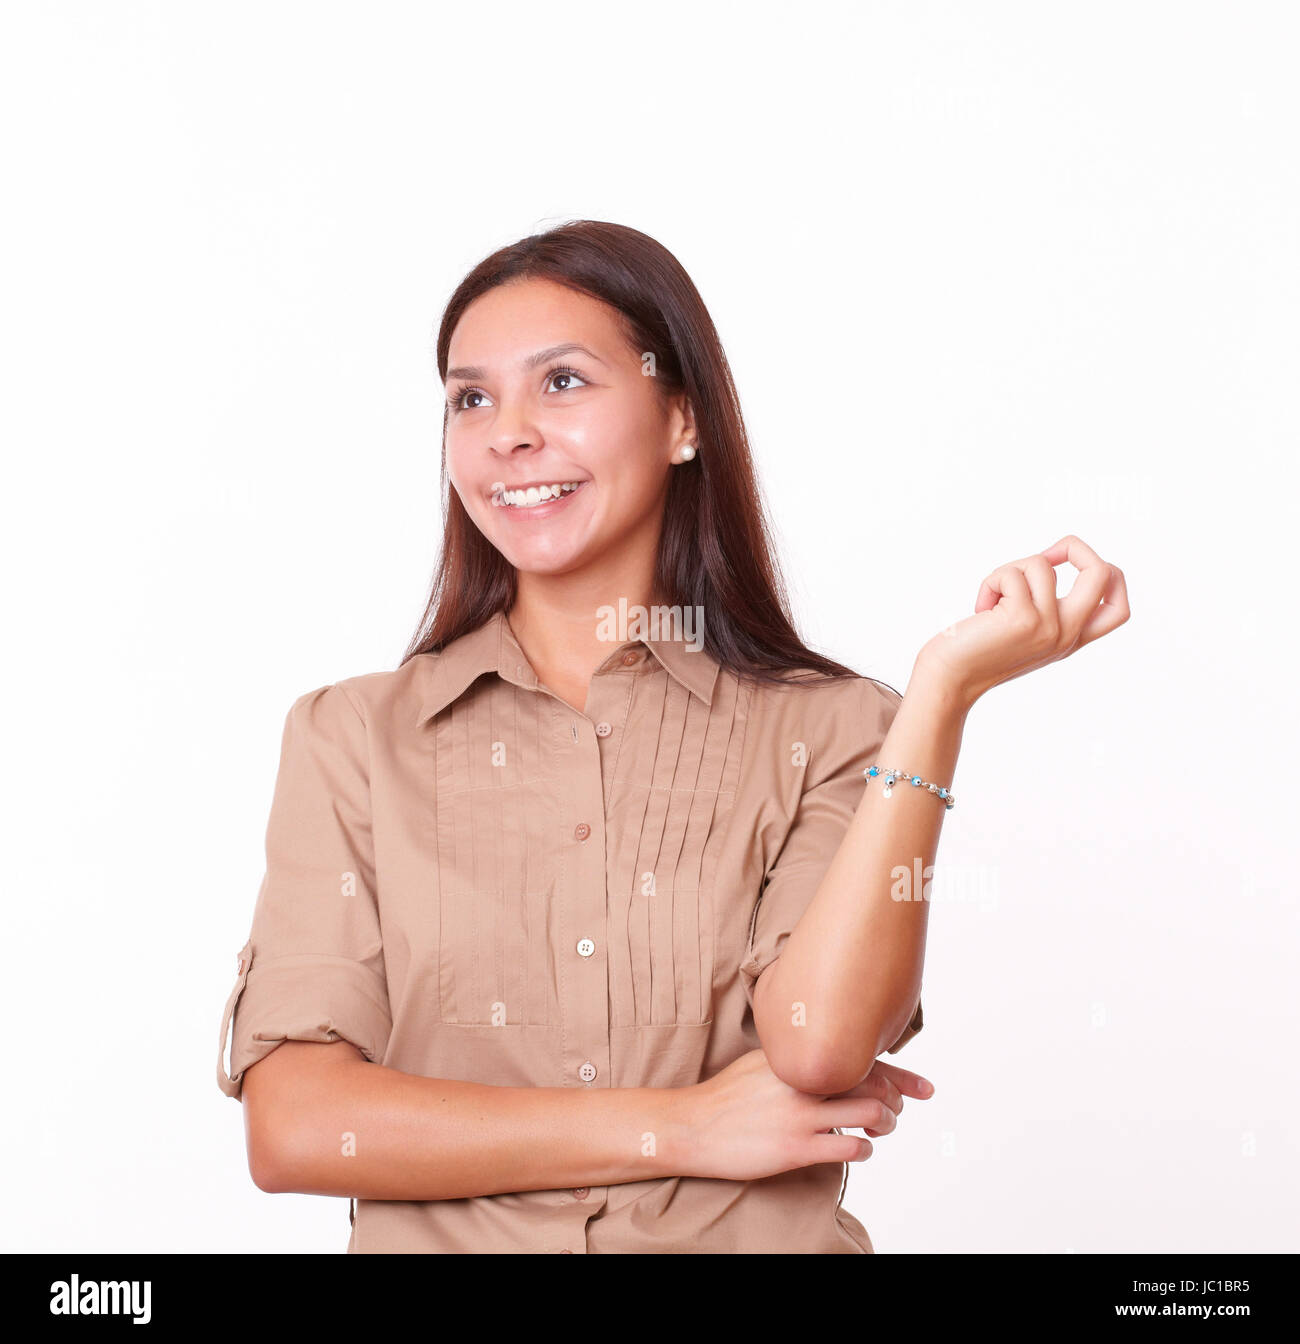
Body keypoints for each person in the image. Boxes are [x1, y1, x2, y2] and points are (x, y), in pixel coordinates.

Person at [215, 219, 1130, 1253]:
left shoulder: (833, 729)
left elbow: (820, 1044)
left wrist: (939, 696)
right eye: (471, 398)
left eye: (562, 383)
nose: (507, 432)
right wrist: (680, 1127)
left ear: (682, 420)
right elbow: (294, 1127)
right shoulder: (351, 739)